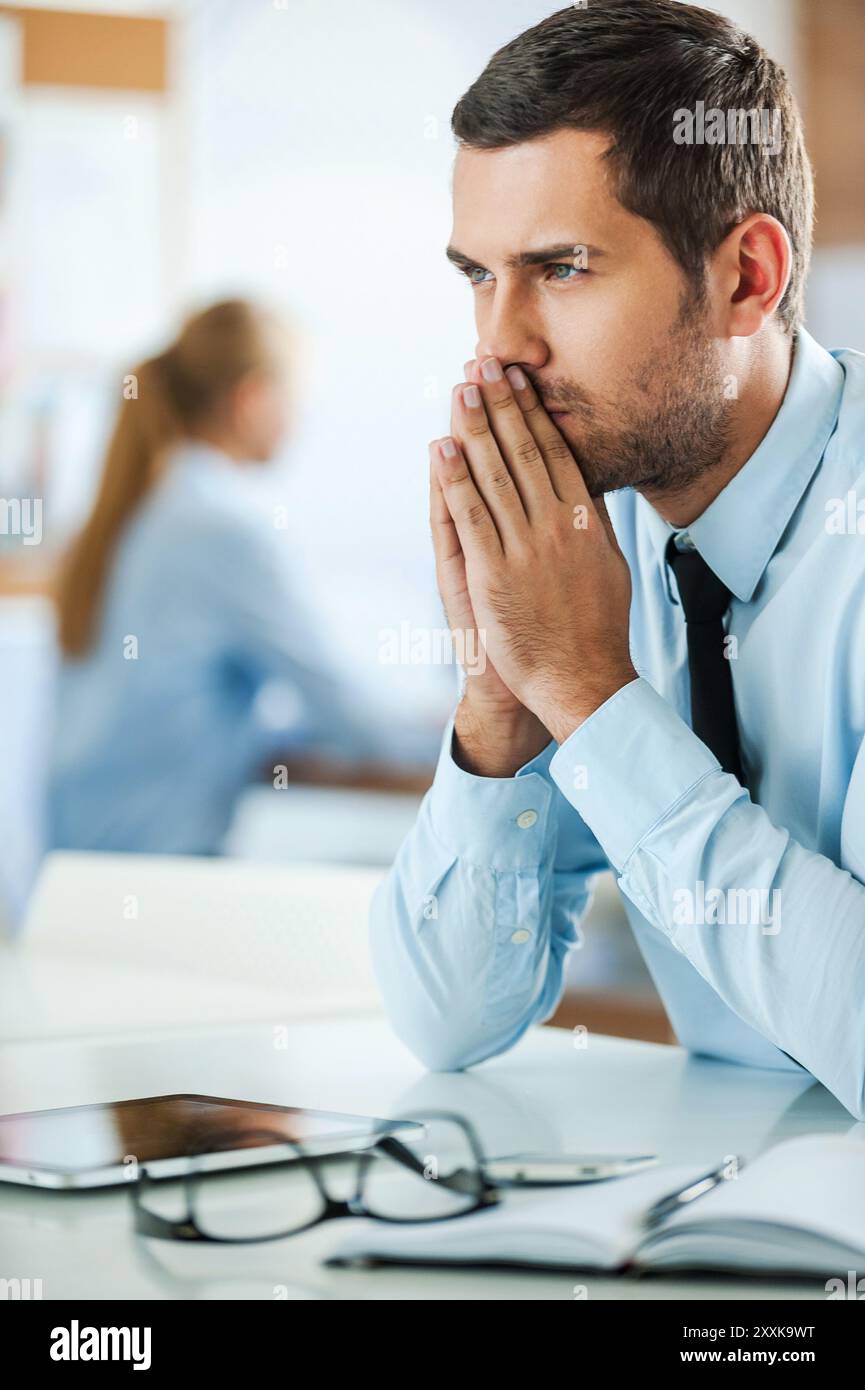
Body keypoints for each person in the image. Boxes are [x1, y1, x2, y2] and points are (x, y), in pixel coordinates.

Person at [369, 0, 865, 1120]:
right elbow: (447, 1023)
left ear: (747, 277)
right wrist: (502, 697)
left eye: (563, 267)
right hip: (708, 1221)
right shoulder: (587, 539)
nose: (499, 342)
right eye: (478, 277)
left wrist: (593, 694)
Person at [49, 298, 383, 854]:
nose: (303, 420)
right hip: (153, 874)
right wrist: (498, 729)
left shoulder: (143, 507)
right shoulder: (219, 528)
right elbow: (358, 723)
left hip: (82, 869)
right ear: (251, 399)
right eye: (296, 400)